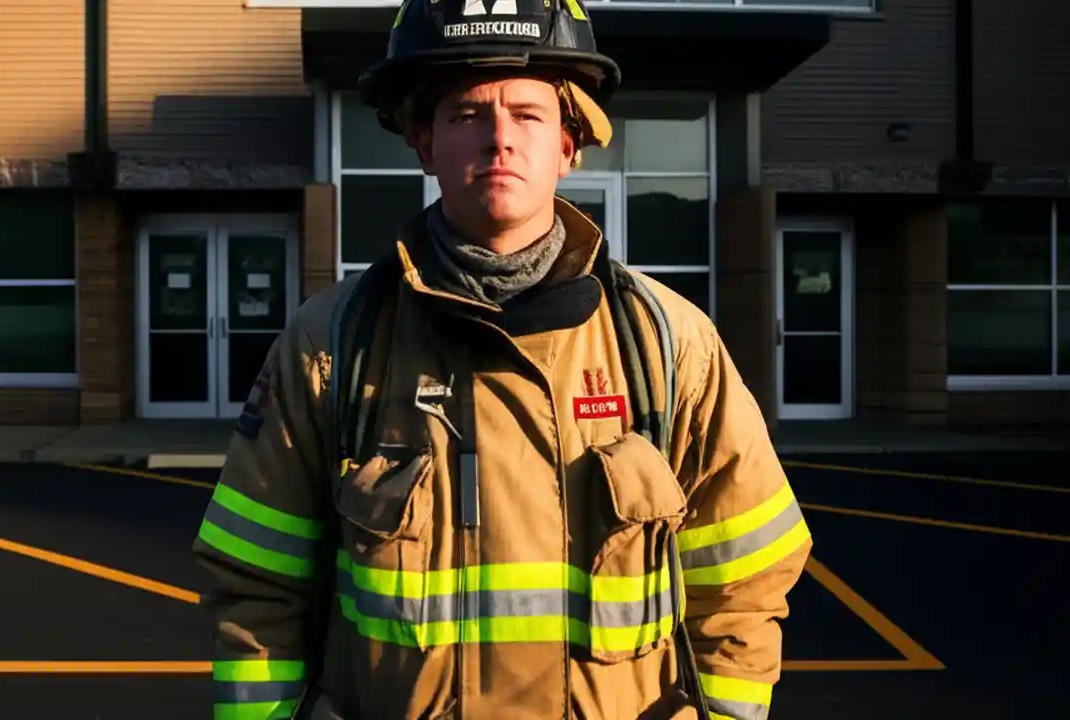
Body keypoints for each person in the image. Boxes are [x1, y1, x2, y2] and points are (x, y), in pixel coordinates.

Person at [191, 1, 811, 719]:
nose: (499, 140)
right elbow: (258, 591)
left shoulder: (673, 344)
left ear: (569, 145)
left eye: (528, 114)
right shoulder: (331, 345)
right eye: (466, 115)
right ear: (424, 143)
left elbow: (743, 587)